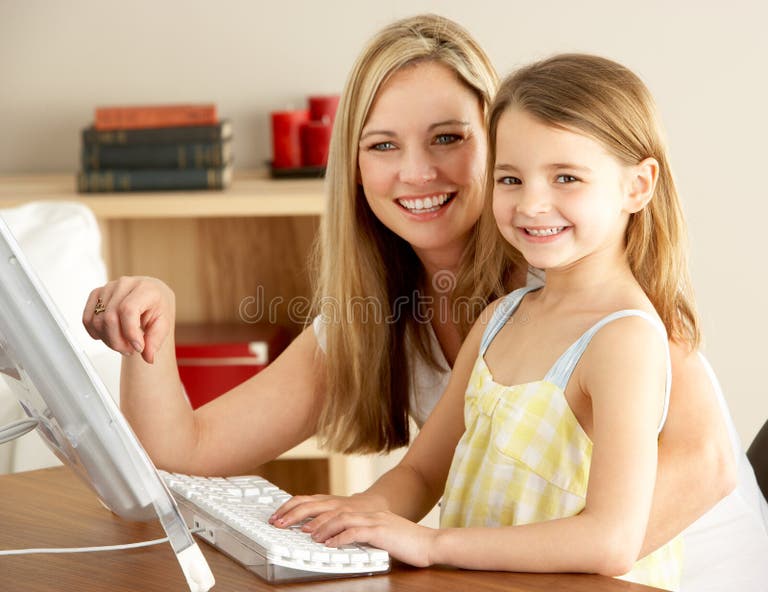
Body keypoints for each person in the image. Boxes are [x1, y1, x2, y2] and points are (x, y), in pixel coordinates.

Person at [82, 14, 744, 582]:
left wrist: (463, 560)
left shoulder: (583, 284)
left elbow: (705, 467)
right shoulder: (401, 317)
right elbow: (184, 451)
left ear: (498, 139)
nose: (416, 172)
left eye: (449, 138)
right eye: (383, 145)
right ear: (356, 166)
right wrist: (150, 328)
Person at [269, 53, 768, 590]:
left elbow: (610, 541)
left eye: (566, 177)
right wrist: (357, 515)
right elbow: (421, 472)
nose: (531, 204)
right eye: (510, 178)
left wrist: (433, 543)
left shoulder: (625, 341)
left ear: (637, 186)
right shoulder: (498, 319)